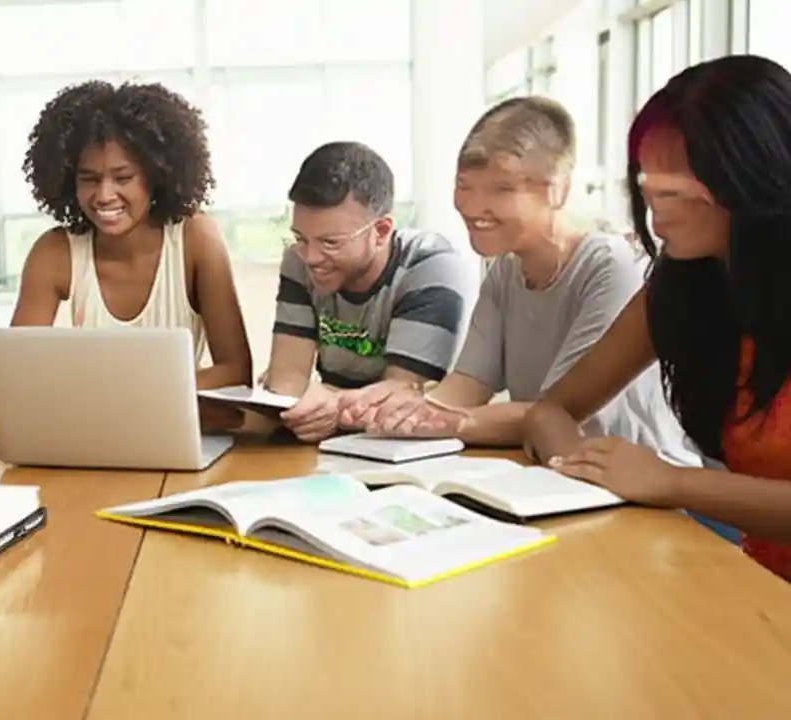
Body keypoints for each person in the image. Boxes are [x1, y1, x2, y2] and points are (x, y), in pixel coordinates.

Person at [524, 55, 791, 581]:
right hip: (757, 585)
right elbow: (551, 411)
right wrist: (581, 470)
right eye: (647, 193)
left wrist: (668, 482)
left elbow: (664, 481)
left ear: (753, 183)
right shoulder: (685, 285)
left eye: (674, 195)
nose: (655, 217)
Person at [337, 97, 695, 465]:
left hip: (636, 489)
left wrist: (439, 419)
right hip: (552, 473)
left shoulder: (611, 266)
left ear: (558, 189)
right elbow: (466, 386)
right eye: (465, 185)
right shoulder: (505, 269)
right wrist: (392, 407)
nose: (474, 206)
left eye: (502, 189)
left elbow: (557, 414)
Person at [10, 80, 252, 391]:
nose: (104, 195)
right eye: (89, 179)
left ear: (156, 175)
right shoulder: (54, 252)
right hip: (94, 429)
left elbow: (236, 373)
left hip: (178, 429)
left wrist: (127, 390)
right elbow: (15, 372)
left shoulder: (195, 238)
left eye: (123, 178)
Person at [264, 141, 479, 443]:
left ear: (380, 232)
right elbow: (285, 384)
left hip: (420, 449)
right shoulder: (299, 260)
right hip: (336, 448)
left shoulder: (431, 266)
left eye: (331, 243)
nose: (311, 257)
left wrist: (321, 400)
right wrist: (306, 399)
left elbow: (396, 405)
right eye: (301, 237)